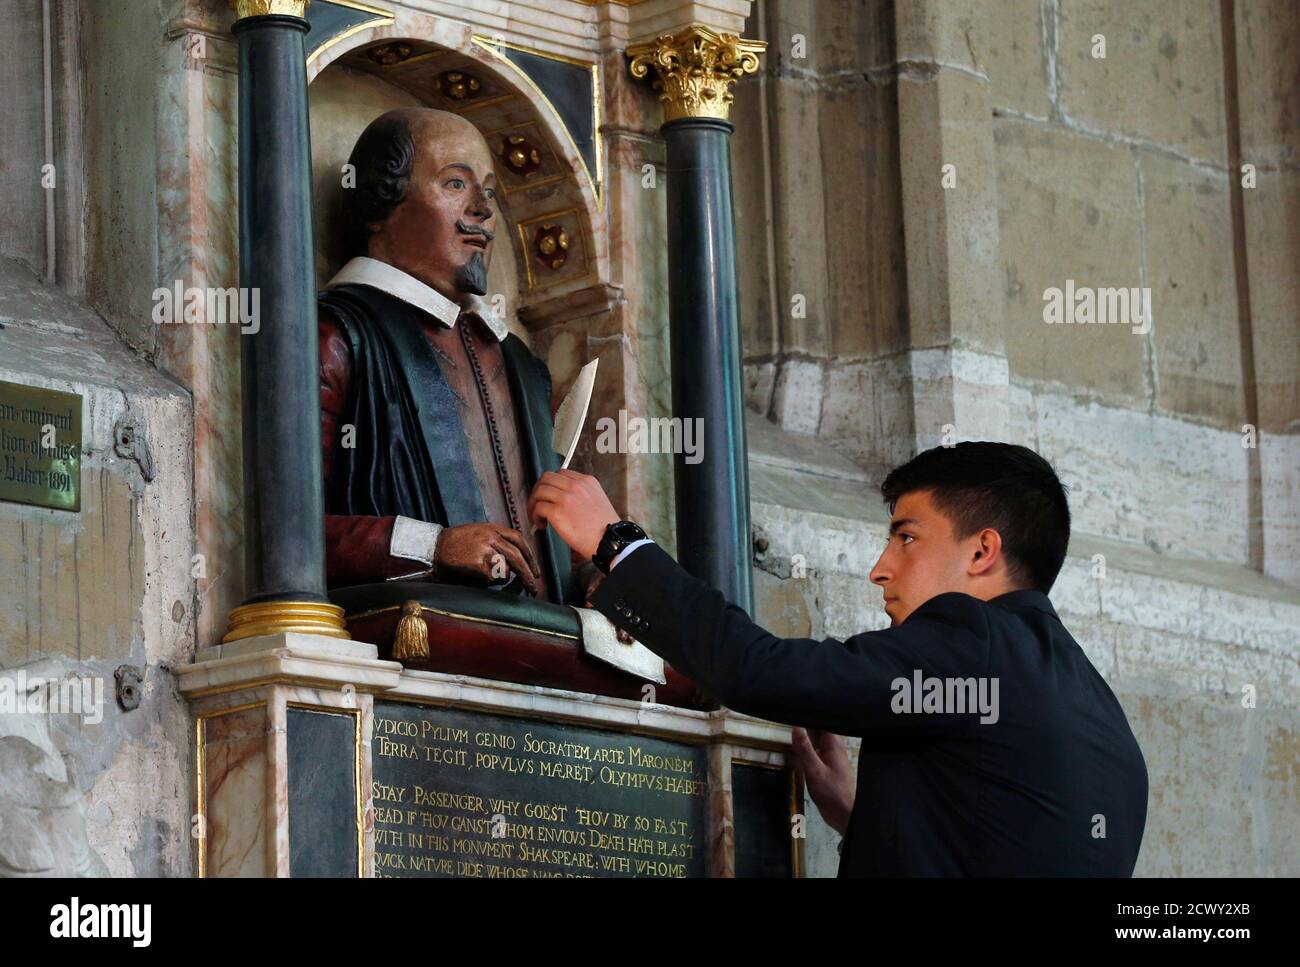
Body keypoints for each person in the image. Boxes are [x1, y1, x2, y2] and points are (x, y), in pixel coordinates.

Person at [526, 441, 1149, 876]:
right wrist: (864, 818)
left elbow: (758, 669)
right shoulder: (1104, 717)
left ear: (982, 551)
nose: (881, 569)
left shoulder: (975, 637)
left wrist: (620, 546)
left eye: (907, 537)